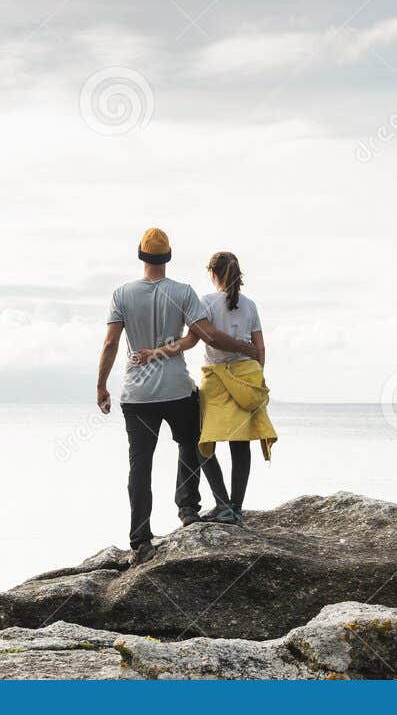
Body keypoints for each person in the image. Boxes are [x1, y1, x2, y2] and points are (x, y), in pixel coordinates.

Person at [96, 229, 259, 564]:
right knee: (191, 443)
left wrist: (101, 386)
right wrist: (247, 348)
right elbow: (207, 335)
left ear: (141, 256)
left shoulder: (121, 294)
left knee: (140, 464)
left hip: (136, 393)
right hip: (177, 388)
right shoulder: (183, 292)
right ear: (167, 257)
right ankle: (187, 509)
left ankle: (140, 540)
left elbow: (111, 344)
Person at [140, 251, 277, 527]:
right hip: (245, 377)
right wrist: (257, 377)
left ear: (213, 273)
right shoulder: (250, 305)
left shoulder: (206, 302)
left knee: (204, 443)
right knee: (240, 445)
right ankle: (236, 509)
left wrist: (157, 352)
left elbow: (193, 339)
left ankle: (223, 504)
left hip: (215, 379)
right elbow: (260, 347)